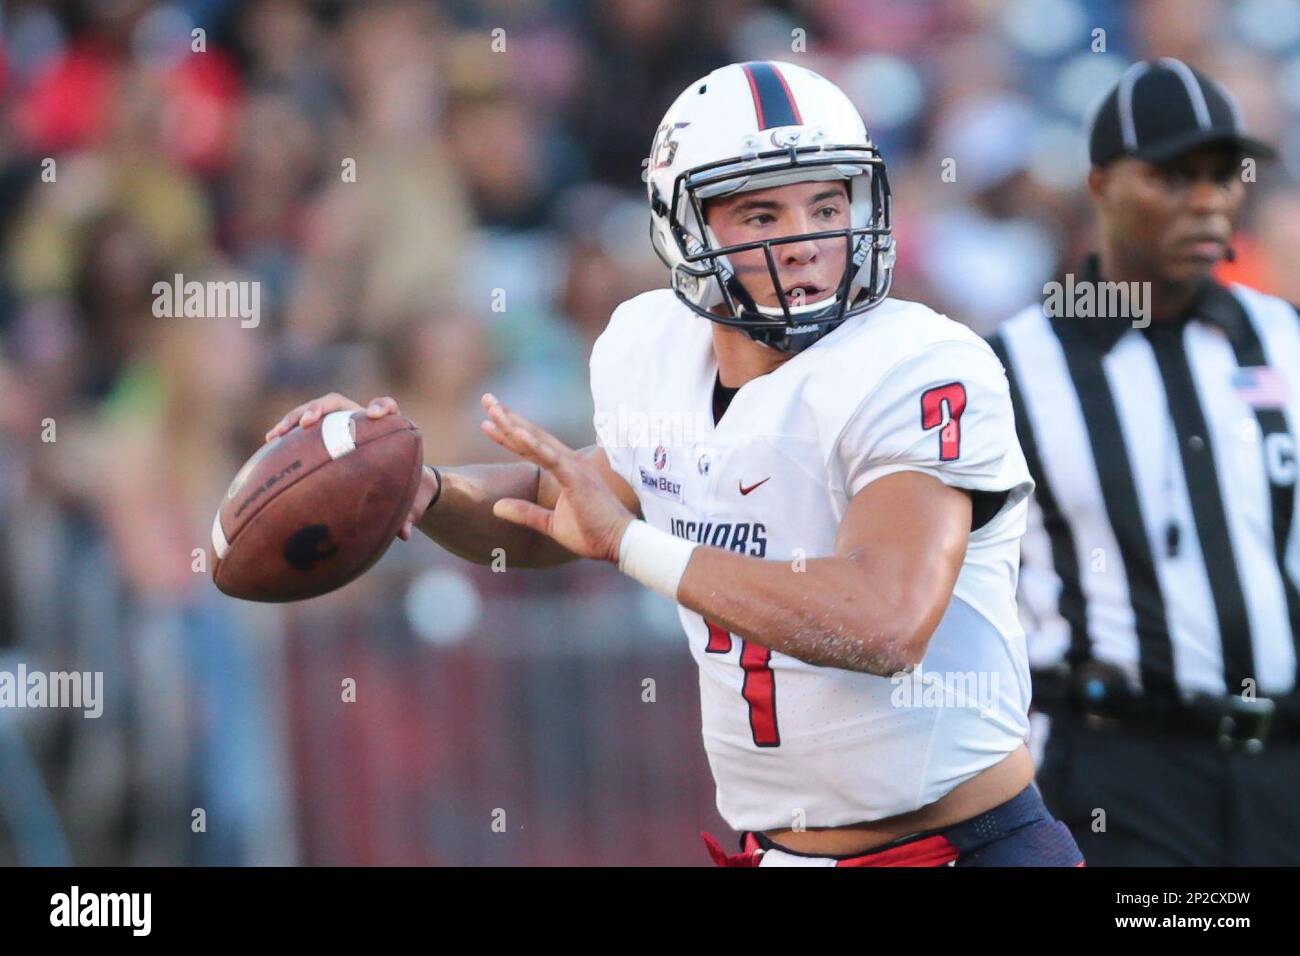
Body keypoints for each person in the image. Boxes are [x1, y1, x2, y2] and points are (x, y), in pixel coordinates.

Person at [264, 61, 1082, 867]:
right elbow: (566, 505)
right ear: (680, 226)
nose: (804, 243)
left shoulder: (920, 364)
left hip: (961, 850)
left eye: (826, 205)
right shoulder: (652, 349)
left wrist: (633, 545)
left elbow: (884, 620)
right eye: (760, 216)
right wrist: (423, 486)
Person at [991, 58, 1300, 865]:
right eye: (1171, 175)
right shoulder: (1011, 366)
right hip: (1119, 773)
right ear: (1099, 184)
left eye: (1221, 175)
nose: (1208, 200)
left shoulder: (1285, 338)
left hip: (1284, 767)